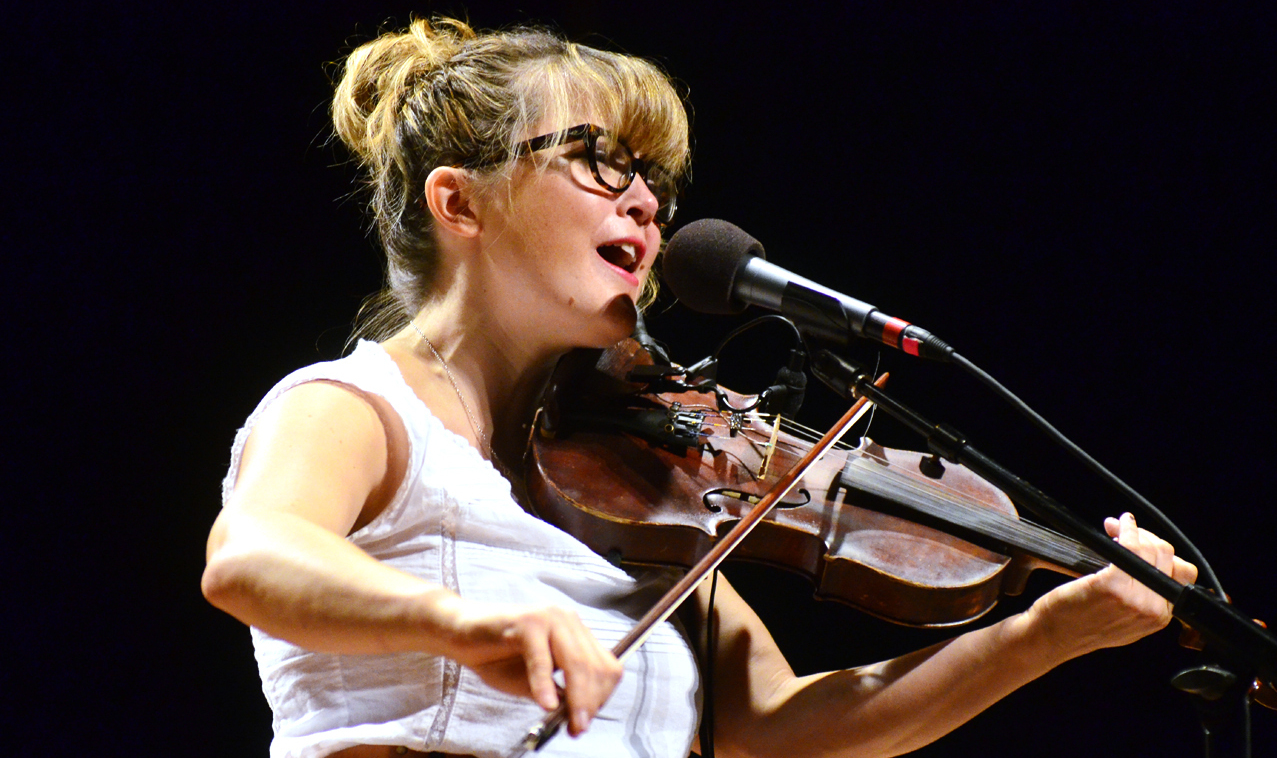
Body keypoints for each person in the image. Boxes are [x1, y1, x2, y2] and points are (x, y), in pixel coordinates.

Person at [202, 17, 1199, 758]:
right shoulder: (353, 406)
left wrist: (1046, 631)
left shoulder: (634, 483)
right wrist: (467, 621)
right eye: (595, 161)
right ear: (460, 200)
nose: (645, 200)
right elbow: (253, 554)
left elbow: (781, 722)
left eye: (653, 179)